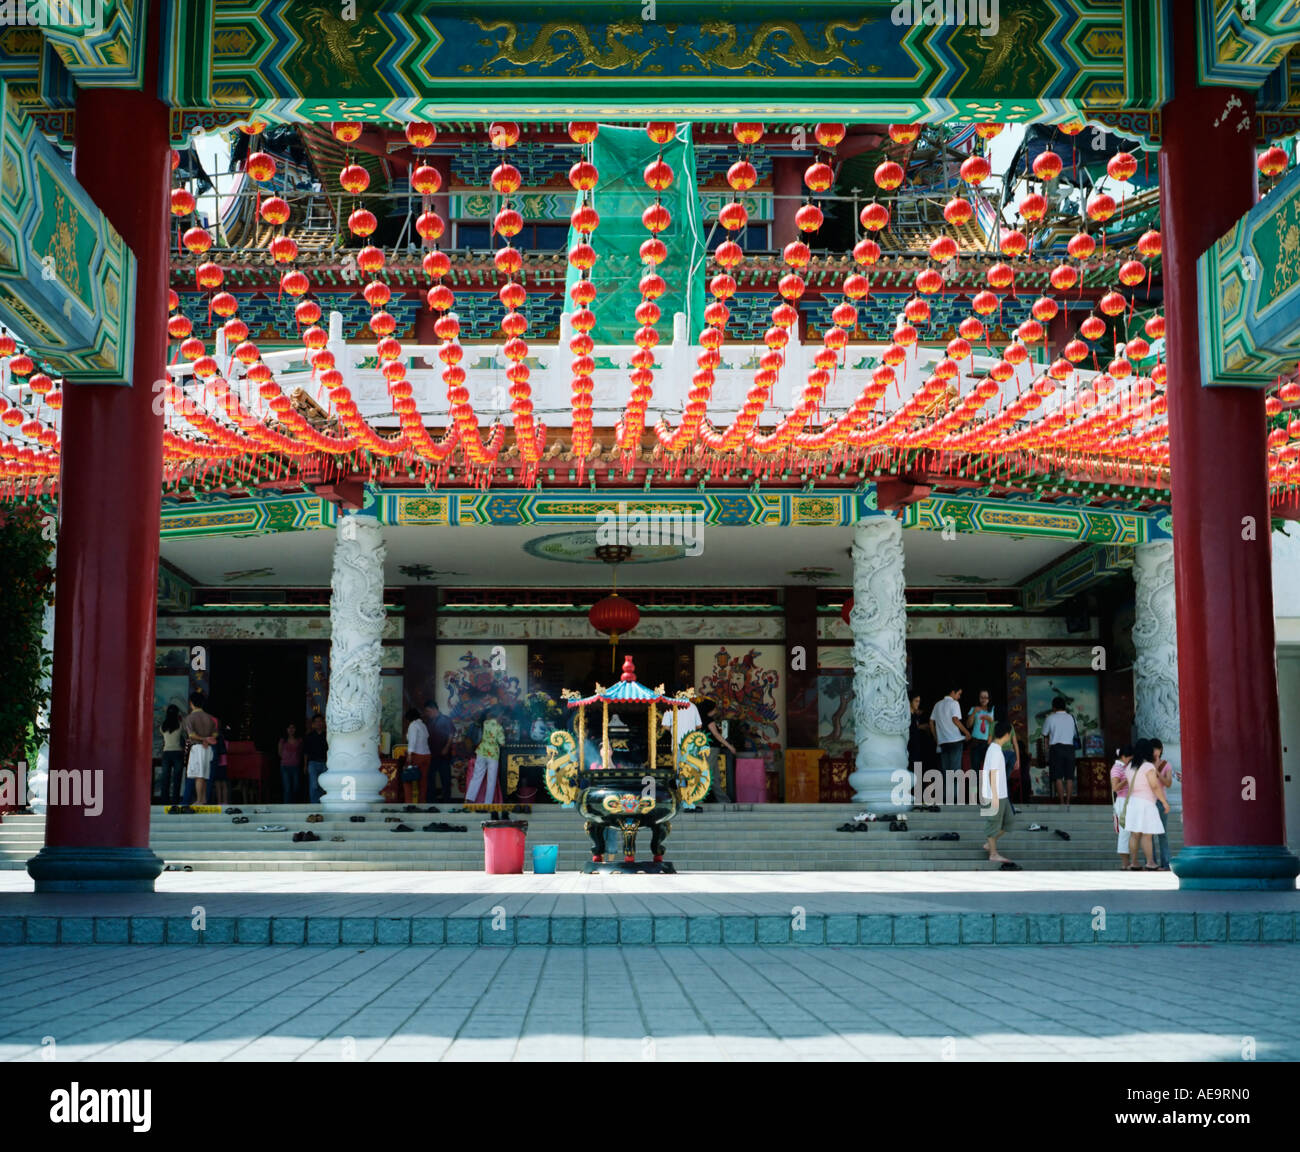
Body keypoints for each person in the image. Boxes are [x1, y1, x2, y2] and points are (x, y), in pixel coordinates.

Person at [1124, 739, 1170, 869]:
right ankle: (1150, 862)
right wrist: (1164, 802)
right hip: (1146, 802)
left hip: (1133, 802)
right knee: (1147, 834)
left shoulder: (1129, 766)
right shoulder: (1148, 766)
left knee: (1134, 834)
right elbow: (1155, 787)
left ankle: (1133, 862)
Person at [980, 720, 1016, 866]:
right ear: (1007, 734)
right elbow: (992, 774)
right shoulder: (994, 750)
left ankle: (990, 843)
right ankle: (993, 853)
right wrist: (994, 796)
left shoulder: (996, 749)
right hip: (994, 794)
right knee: (993, 823)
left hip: (1002, 794)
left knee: (1009, 822)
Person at [181, 692, 218, 806]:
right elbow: (215, 734)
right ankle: (203, 799)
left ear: (191, 703)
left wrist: (203, 739)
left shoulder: (189, 718)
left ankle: (199, 800)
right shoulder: (210, 718)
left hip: (197, 748)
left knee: (198, 775)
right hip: (208, 749)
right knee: (204, 774)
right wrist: (208, 739)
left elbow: (191, 735)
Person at [1042, 696, 1078, 809]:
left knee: (1058, 776)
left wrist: (1046, 749)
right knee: (1069, 777)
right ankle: (1068, 802)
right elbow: (1074, 734)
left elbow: (1044, 733)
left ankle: (1061, 802)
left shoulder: (1050, 718)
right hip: (1070, 748)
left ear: (1054, 707)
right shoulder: (1072, 718)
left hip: (1056, 748)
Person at [698, 698, 736, 804]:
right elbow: (716, 735)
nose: (715, 711)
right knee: (708, 774)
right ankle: (699, 799)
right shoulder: (708, 720)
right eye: (714, 709)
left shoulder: (698, 719)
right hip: (710, 749)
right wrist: (729, 746)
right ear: (709, 709)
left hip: (703, 749)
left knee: (714, 776)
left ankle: (724, 800)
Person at [929, 686, 969, 783]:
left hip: (943, 742)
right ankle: (955, 797)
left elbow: (931, 722)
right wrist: (967, 733)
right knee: (955, 772)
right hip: (955, 741)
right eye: (958, 694)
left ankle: (946, 796)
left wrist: (936, 738)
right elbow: (955, 719)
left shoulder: (937, 705)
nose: (959, 697)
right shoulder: (954, 703)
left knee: (945, 772)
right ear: (952, 692)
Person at [465, 708, 506, 804]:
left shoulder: (486, 723)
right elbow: (502, 742)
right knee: (491, 779)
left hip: (481, 752)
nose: (502, 718)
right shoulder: (499, 727)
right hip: (492, 754)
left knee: (477, 776)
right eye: (502, 716)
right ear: (499, 715)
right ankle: (488, 802)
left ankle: (469, 798)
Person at [1110, 745, 1138, 869]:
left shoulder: (1127, 767)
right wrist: (1127, 779)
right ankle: (1125, 863)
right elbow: (1115, 788)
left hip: (1131, 800)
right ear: (1123, 757)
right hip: (1122, 801)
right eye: (1130, 758)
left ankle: (1130, 862)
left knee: (1130, 832)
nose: (1131, 761)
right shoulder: (1116, 768)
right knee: (1124, 832)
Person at [424, 700, 455, 803]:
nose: (427, 714)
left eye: (428, 711)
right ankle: (431, 800)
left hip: (443, 755)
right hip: (432, 754)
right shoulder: (429, 721)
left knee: (445, 779)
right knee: (430, 778)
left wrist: (446, 747)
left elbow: (451, 735)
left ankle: (447, 801)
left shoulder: (446, 720)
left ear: (434, 709)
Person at [1151, 738, 1173, 871]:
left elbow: (1169, 783)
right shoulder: (1146, 764)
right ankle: (1151, 862)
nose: (1155, 752)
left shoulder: (1166, 764)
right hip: (1148, 800)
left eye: (1157, 749)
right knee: (1149, 834)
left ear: (1161, 750)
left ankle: (1166, 863)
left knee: (1162, 833)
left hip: (1161, 801)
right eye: (1153, 749)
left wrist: (1157, 773)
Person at [965, 690, 995, 777]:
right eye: (982, 697)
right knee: (975, 770)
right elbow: (968, 725)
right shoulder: (973, 709)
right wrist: (974, 712)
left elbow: (994, 724)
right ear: (979, 698)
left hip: (987, 743)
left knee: (989, 769)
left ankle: (986, 790)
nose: (984, 699)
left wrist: (989, 719)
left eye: (986, 697)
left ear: (989, 699)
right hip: (975, 742)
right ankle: (974, 791)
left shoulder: (992, 709)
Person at [404, 707, 431, 803]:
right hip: (427, 755)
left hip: (417, 755)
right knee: (423, 780)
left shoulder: (413, 725)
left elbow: (413, 740)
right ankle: (422, 801)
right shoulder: (423, 725)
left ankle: (409, 802)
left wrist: (409, 754)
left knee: (407, 778)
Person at [159, 704, 185, 806]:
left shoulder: (163, 726)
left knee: (165, 779)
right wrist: (179, 715)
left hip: (166, 753)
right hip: (178, 753)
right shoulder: (180, 724)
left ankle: (164, 801)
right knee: (177, 779)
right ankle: (175, 802)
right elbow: (184, 721)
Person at [907, 694, 933, 795]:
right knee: (912, 770)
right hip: (911, 748)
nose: (918, 703)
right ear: (910, 701)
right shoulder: (908, 715)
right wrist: (920, 727)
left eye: (919, 701)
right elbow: (910, 730)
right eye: (916, 701)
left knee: (917, 770)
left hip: (917, 747)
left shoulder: (915, 715)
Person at [304, 713, 328, 803]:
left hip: (324, 763)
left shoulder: (327, 735)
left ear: (323, 723)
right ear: (313, 724)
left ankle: (321, 804)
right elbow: (305, 752)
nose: (319, 723)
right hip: (313, 763)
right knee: (314, 785)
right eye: (316, 722)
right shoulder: (309, 736)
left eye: (320, 721)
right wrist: (305, 765)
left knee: (323, 785)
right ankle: (314, 804)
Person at [278, 723, 303, 805]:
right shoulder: (283, 740)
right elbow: (280, 752)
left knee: (296, 787)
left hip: (295, 766)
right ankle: (287, 806)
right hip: (285, 766)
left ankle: (294, 805)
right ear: (286, 729)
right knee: (287, 787)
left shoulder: (299, 740)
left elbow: (301, 752)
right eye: (289, 728)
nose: (291, 729)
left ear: (295, 729)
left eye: (293, 727)